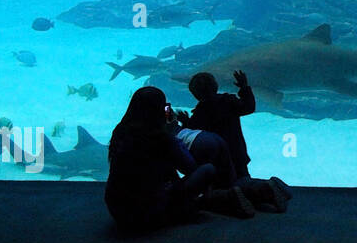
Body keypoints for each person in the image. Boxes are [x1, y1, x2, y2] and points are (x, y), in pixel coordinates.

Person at [105, 87, 253, 232]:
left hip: (118, 211)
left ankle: (211, 200)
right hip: (151, 214)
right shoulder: (161, 138)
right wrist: (173, 137)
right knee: (207, 170)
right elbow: (190, 167)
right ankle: (210, 201)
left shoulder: (120, 132)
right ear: (159, 111)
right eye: (164, 108)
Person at [180, 69, 292, 208]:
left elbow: (195, 131)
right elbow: (249, 107)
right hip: (238, 153)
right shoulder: (228, 101)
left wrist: (185, 122)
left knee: (230, 187)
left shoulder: (200, 112)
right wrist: (244, 87)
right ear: (216, 86)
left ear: (195, 95)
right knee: (243, 179)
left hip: (219, 158)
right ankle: (271, 189)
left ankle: (266, 188)